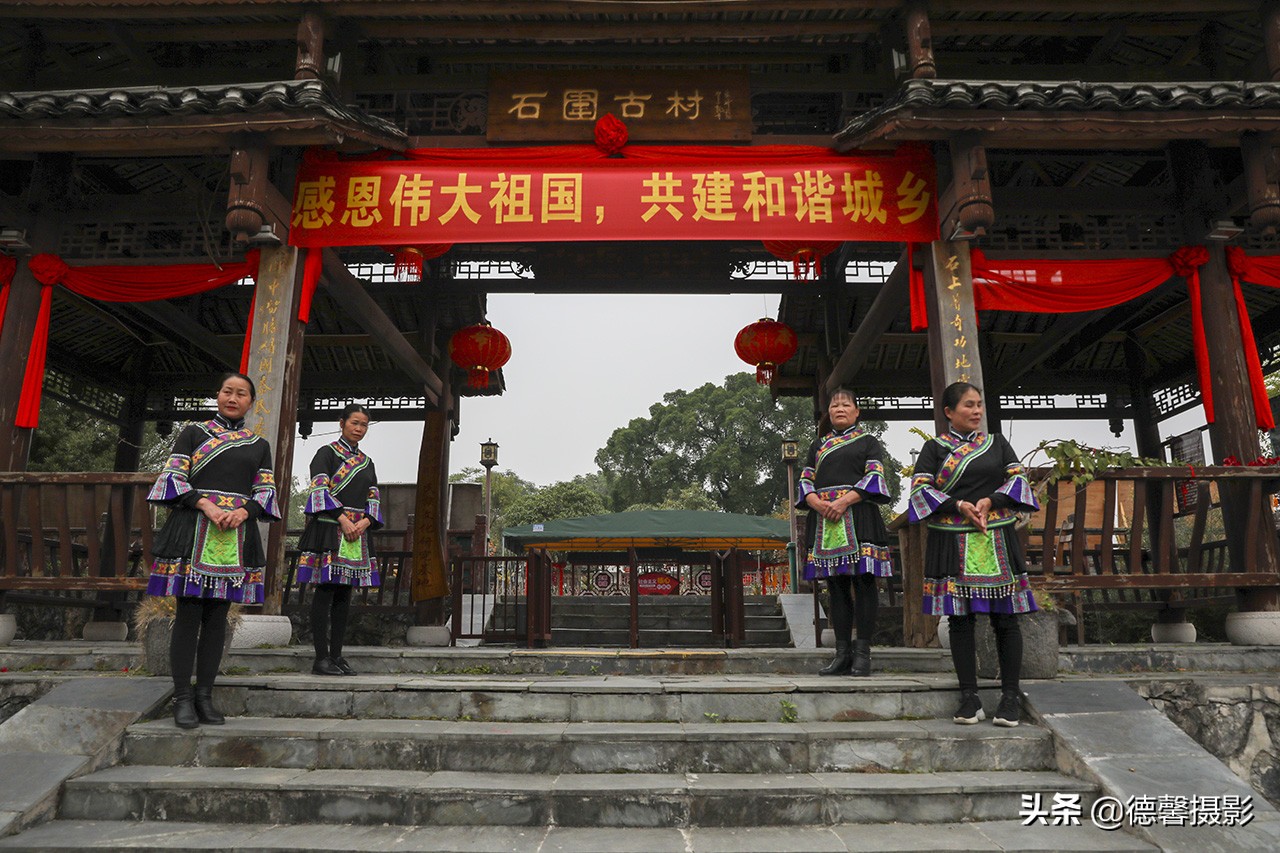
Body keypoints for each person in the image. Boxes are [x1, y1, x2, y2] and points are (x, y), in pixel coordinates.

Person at [146, 372, 281, 728]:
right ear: (217, 395)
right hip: (194, 529)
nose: (232, 398)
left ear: (251, 402)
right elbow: (173, 479)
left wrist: (241, 511)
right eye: (227, 391)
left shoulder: (258, 445)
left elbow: (264, 493)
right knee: (188, 616)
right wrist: (206, 505)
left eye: (241, 394)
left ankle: (205, 696)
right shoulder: (193, 433)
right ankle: (182, 698)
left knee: (217, 619)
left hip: (234, 537)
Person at [908, 381, 1039, 727]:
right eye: (969, 405)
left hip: (995, 537)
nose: (977, 411)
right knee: (960, 620)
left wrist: (989, 501)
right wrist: (958, 504)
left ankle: (1010, 696)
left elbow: (1019, 481)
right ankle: (969, 697)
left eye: (979, 404)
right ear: (949, 412)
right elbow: (920, 490)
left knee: (1006, 619)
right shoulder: (933, 449)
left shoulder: (997, 444)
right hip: (951, 538)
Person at [797, 387, 893, 676]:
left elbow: (875, 476)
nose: (839, 409)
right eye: (834, 405)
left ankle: (863, 654)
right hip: (826, 520)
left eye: (845, 404)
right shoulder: (818, 445)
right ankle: (841, 653)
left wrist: (844, 501)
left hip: (859, 514)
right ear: (828, 412)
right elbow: (805, 480)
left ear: (856, 410)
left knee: (864, 583)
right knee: (836, 587)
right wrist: (816, 502)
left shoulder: (868, 442)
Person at [295, 404, 383, 676]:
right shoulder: (326, 453)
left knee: (345, 595)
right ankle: (320, 658)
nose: (359, 429)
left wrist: (366, 521)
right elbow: (319, 488)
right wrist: (343, 519)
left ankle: (336, 655)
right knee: (325, 591)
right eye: (354, 422)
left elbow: (374, 496)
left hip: (357, 533)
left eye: (364, 425)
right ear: (342, 422)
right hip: (331, 528)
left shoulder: (367, 462)